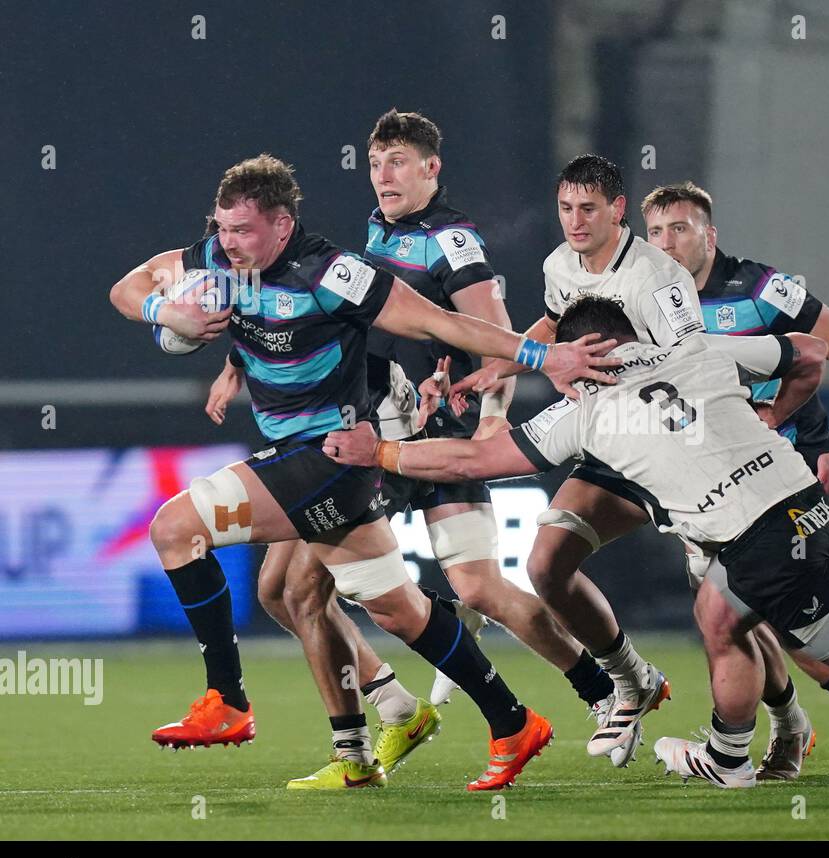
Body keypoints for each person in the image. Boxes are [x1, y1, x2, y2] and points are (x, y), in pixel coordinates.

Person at [323, 295, 829, 789]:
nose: (559, 376)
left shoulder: (585, 409)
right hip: (796, 503)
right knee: (735, 612)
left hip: (760, 536)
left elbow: (471, 458)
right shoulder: (695, 347)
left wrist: (381, 453)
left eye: (567, 363)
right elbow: (809, 353)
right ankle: (736, 749)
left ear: (586, 357)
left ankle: (736, 756)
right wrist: (774, 420)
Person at [108, 154, 617, 790]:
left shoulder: (332, 274)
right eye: (223, 228)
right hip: (320, 466)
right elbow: (127, 288)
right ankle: (512, 722)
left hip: (326, 455)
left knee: (174, 528)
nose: (229, 243)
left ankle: (228, 701)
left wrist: (545, 355)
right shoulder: (214, 261)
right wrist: (169, 315)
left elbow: (442, 322)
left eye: (243, 231)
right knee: (400, 612)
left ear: (283, 226)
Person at [641, 181, 829, 776]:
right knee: (761, 623)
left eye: (680, 229)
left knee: (785, 621)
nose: (665, 244)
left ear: (709, 235)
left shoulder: (758, 288)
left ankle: (760, 744)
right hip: (712, 490)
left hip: (780, 480)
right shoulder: (644, 299)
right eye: (655, 232)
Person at [452, 155, 704, 764]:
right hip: (610, 441)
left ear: (619, 209)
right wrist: (502, 365)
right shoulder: (559, 266)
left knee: (730, 600)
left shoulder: (657, 278)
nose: (575, 221)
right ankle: (631, 680)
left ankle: (788, 717)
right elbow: (556, 324)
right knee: (547, 562)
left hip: (676, 443)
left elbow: (696, 362)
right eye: (566, 208)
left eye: (588, 208)